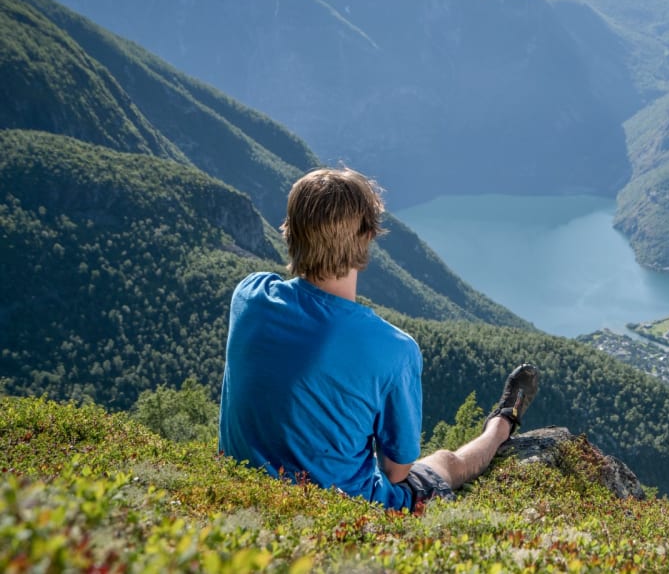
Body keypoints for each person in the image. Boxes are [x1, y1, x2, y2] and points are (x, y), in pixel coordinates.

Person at [218, 167, 538, 512]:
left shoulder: (249, 295)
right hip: (343, 508)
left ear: (289, 230)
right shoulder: (393, 349)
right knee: (445, 463)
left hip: (238, 484)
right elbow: (396, 471)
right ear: (368, 235)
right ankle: (503, 423)